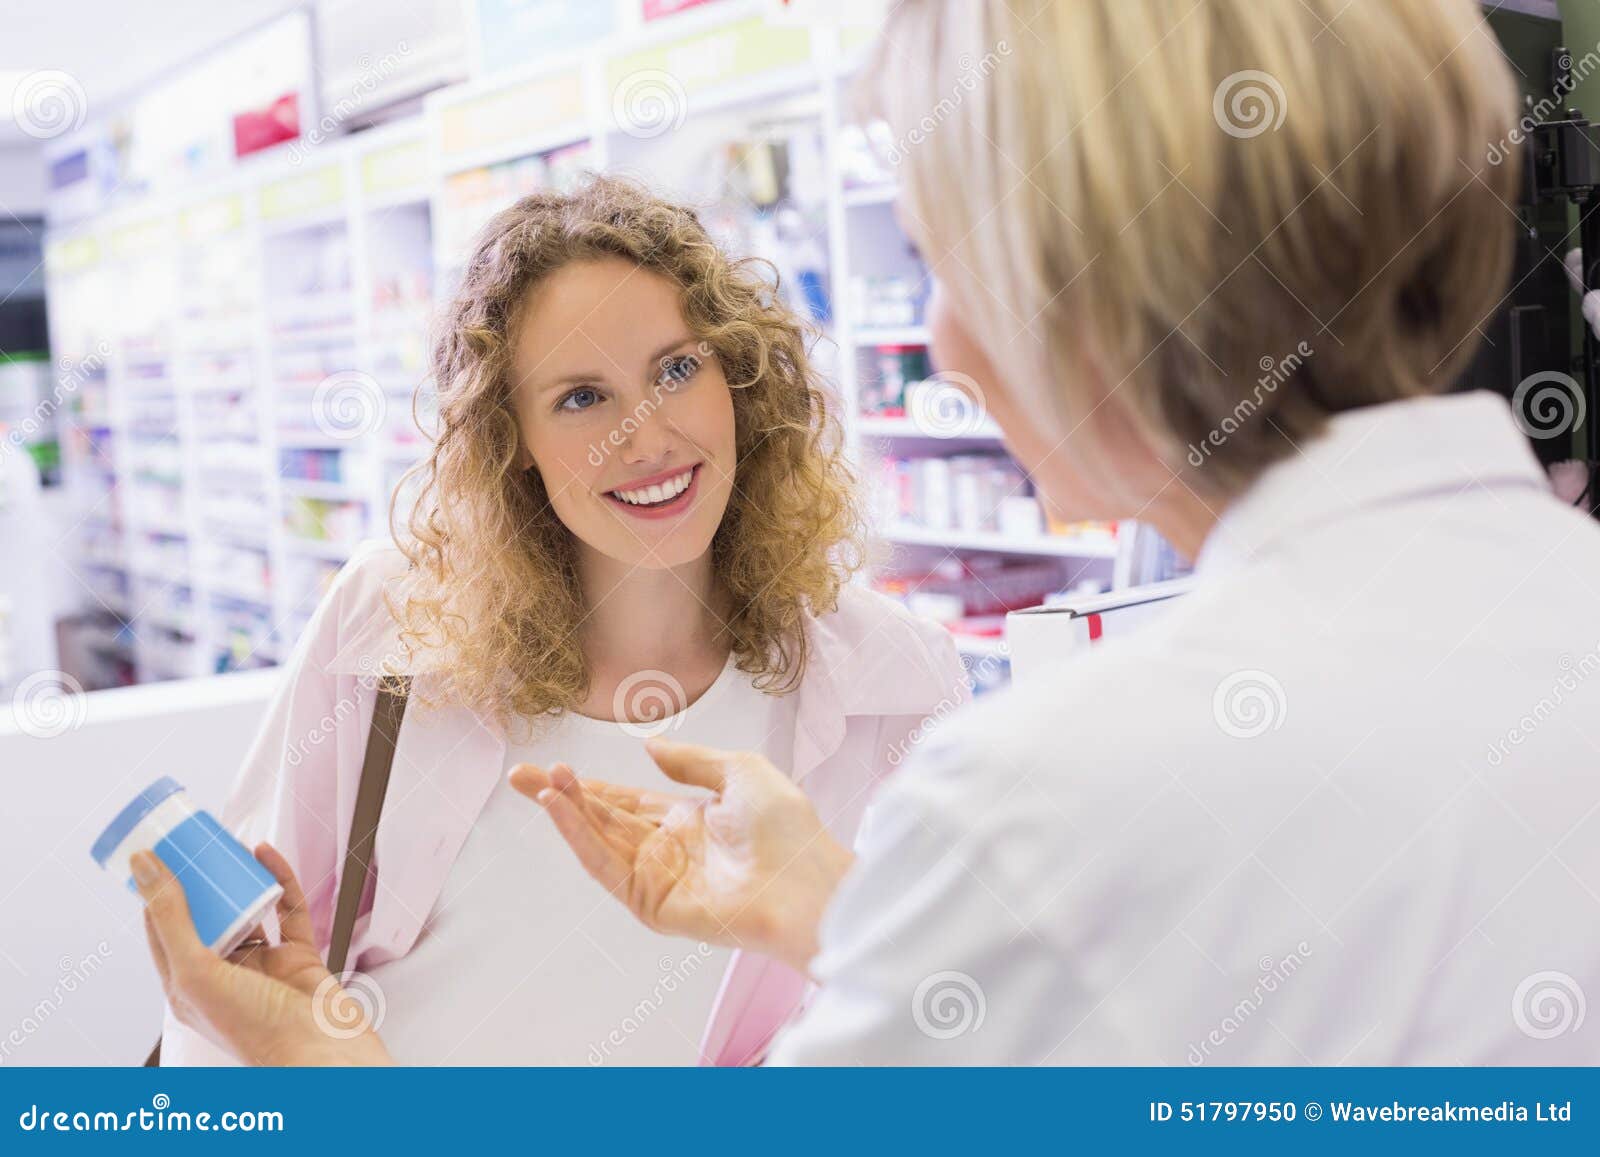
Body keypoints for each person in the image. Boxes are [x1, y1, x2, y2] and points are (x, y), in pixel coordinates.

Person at [139, 0, 1600, 1065]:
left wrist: (343, 1089)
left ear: (1095, 297)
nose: (948, 344)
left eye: (949, 259)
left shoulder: (1040, 794)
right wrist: (855, 923)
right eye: (579, 396)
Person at [151, 175, 964, 1066]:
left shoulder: (890, 678)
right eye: (582, 397)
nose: (645, 438)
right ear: (513, 445)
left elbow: (937, 1026)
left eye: (676, 369)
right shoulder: (392, 625)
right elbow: (247, 975)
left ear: (741, 379)